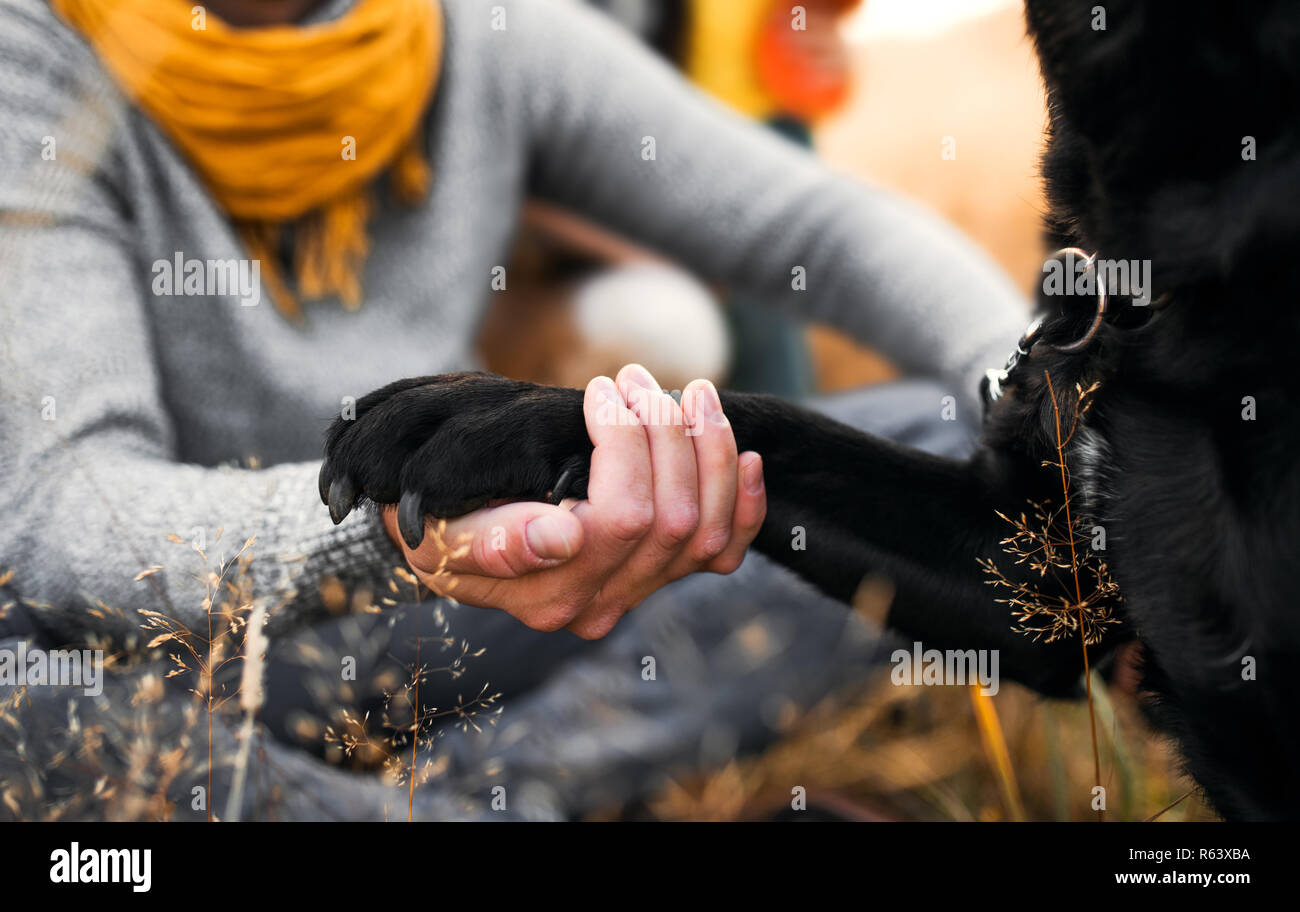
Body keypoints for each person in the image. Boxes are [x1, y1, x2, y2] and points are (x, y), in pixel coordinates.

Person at [0, 0, 1029, 819]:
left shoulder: (477, 32)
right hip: (185, 662)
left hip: (470, 623)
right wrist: (402, 540)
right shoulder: (30, 56)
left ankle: (494, 789)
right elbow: (61, 512)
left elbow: (818, 223)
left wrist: (1039, 400)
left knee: (931, 444)